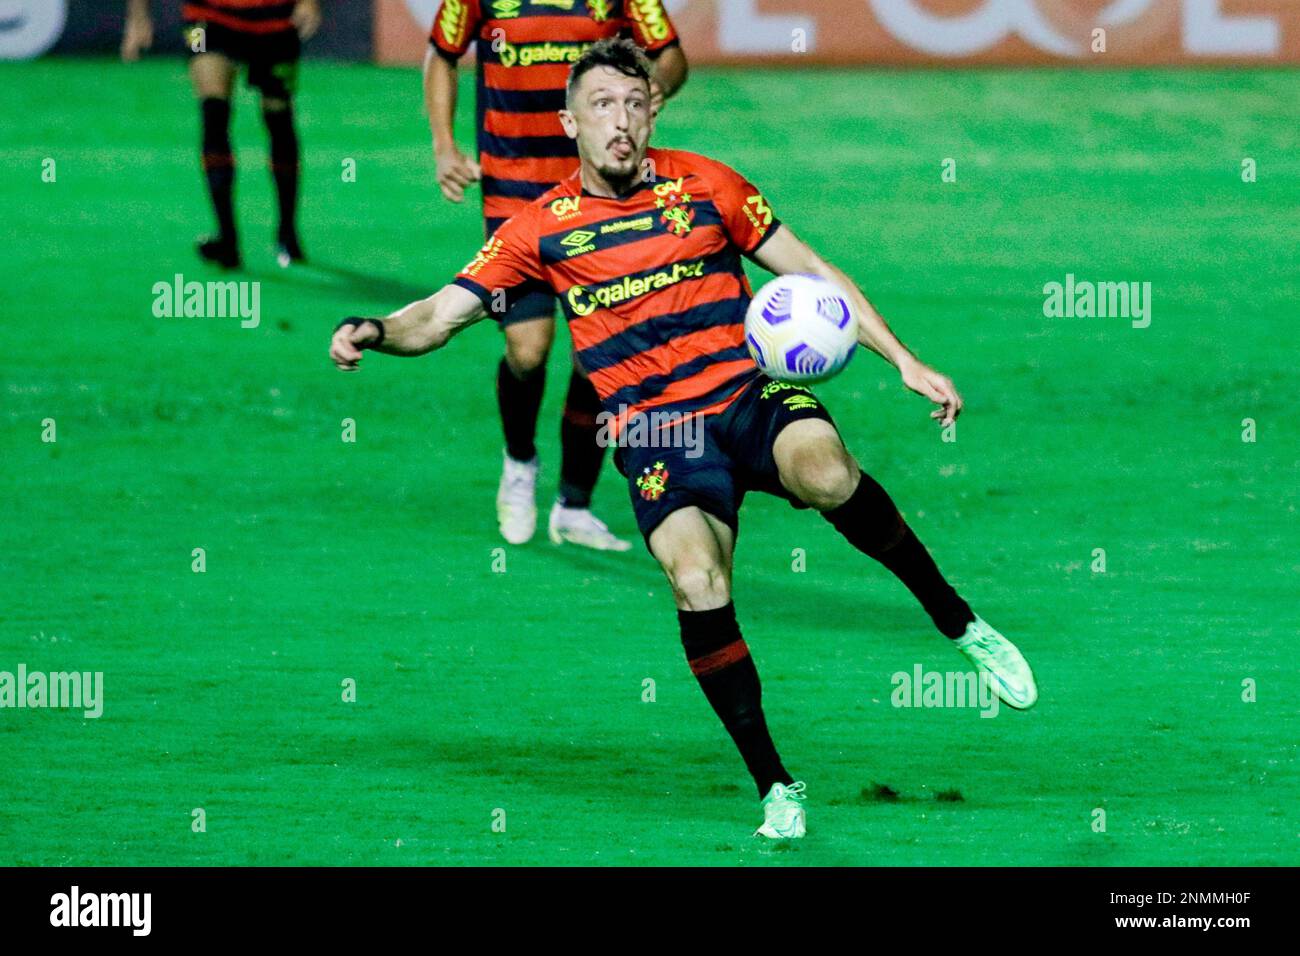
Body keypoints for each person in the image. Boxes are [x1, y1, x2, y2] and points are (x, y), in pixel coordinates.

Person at [329, 39, 1038, 840]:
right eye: (601, 106)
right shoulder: (543, 229)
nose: (620, 121)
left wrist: (904, 360)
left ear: (655, 109)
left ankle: (961, 625)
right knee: (698, 580)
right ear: (569, 122)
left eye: (634, 104)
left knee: (829, 475)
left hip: (747, 395)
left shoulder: (709, 185)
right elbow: (441, 316)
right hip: (656, 433)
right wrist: (372, 329)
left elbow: (811, 270)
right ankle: (777, 784)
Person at [424, 0, 687, 550]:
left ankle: (574, 504)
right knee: (527, 350)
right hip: (515, 191)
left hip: (605, 195)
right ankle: (519, 463)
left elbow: (670, 56)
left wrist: (656, 87)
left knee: (598, 357)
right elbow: (442, 55)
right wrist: (444, 144)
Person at [122, 0, 320, 268]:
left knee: (278, 116)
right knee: (213, 112)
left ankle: (287, 231)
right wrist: (138, 16)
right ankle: (227, 238)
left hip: (275, 17)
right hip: (204, 18)